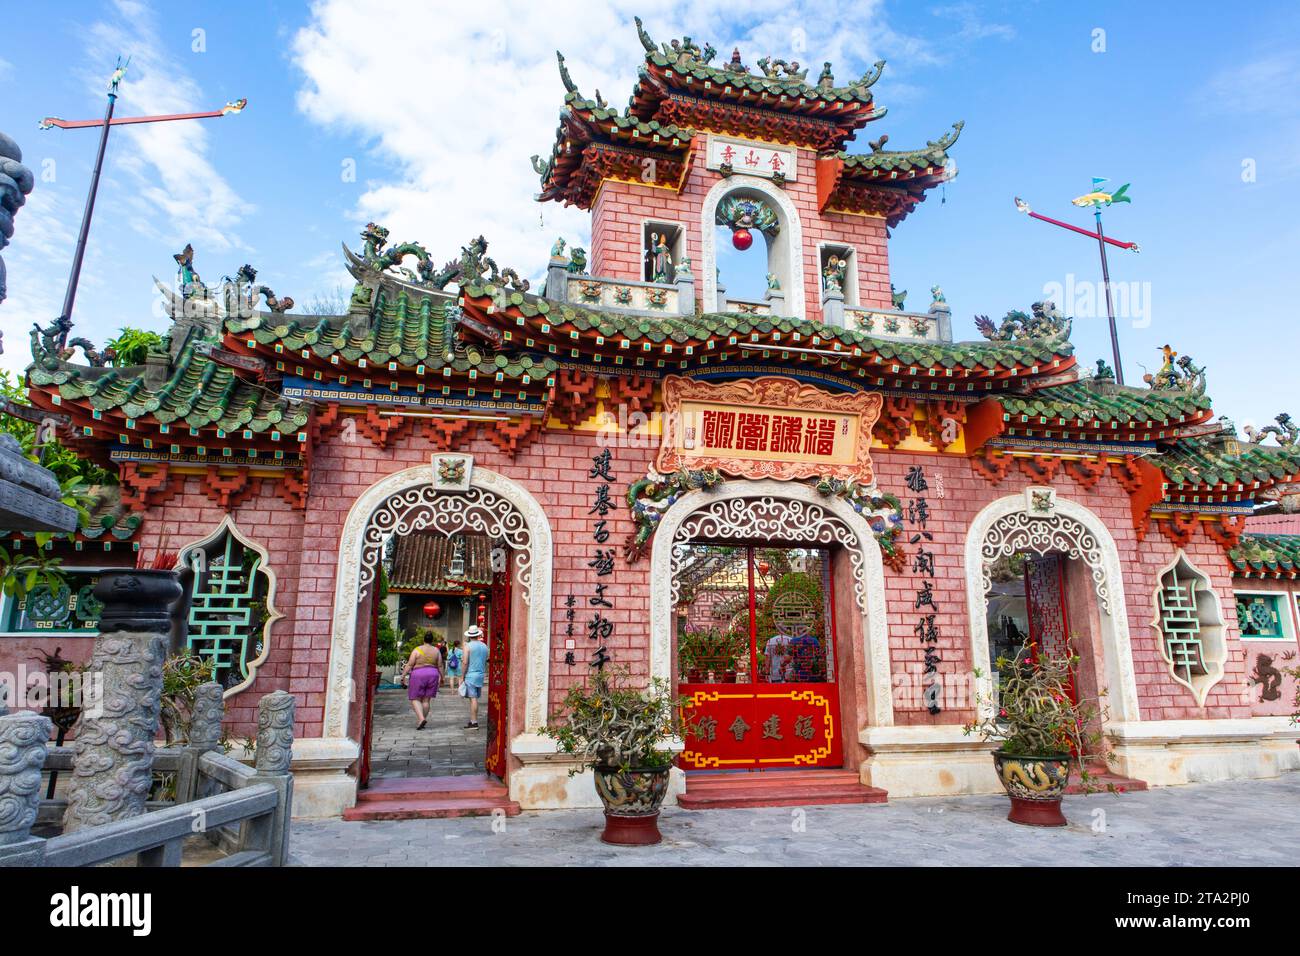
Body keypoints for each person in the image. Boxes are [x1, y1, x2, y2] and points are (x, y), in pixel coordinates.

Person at [401, 633, 442, 730]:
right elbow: (440, 665)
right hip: (433, 674)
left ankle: (421, 718)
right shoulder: (436, 650)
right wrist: (442, 677)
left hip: (418, 674)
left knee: (415, 698)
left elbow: (410, 664)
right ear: (432, 640)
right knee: (426, 700)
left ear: (423, 640)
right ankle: (422, 720)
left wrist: (403, 676)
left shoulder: (417, 649)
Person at [461, 625, 489, 729]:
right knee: (475, 698)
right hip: (480, 675)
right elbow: (486, 659)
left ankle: (474, 722)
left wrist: (462, 676)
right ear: (478, 635)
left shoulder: (468, 646)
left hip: (471, 675)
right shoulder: (484, 646)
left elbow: (464, 662)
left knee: (473, 699)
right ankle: (473, 720)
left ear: (469, 635)